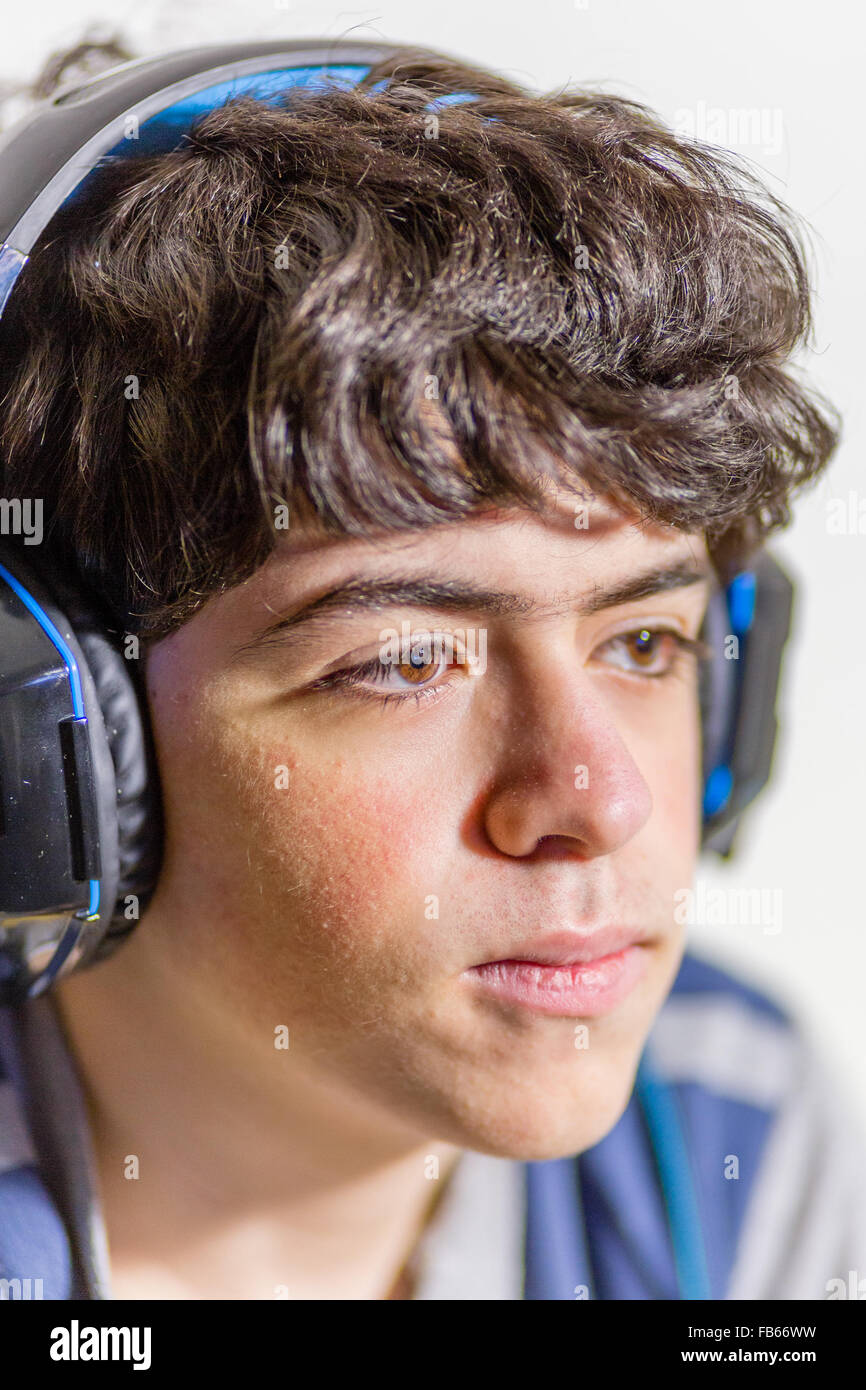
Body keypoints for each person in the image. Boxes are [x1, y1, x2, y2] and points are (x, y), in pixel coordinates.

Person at [0, 35, 863, 1302]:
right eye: (406, 660)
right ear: (51, 759)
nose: (593, 798)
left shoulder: (730, 1116)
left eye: (640, 641)